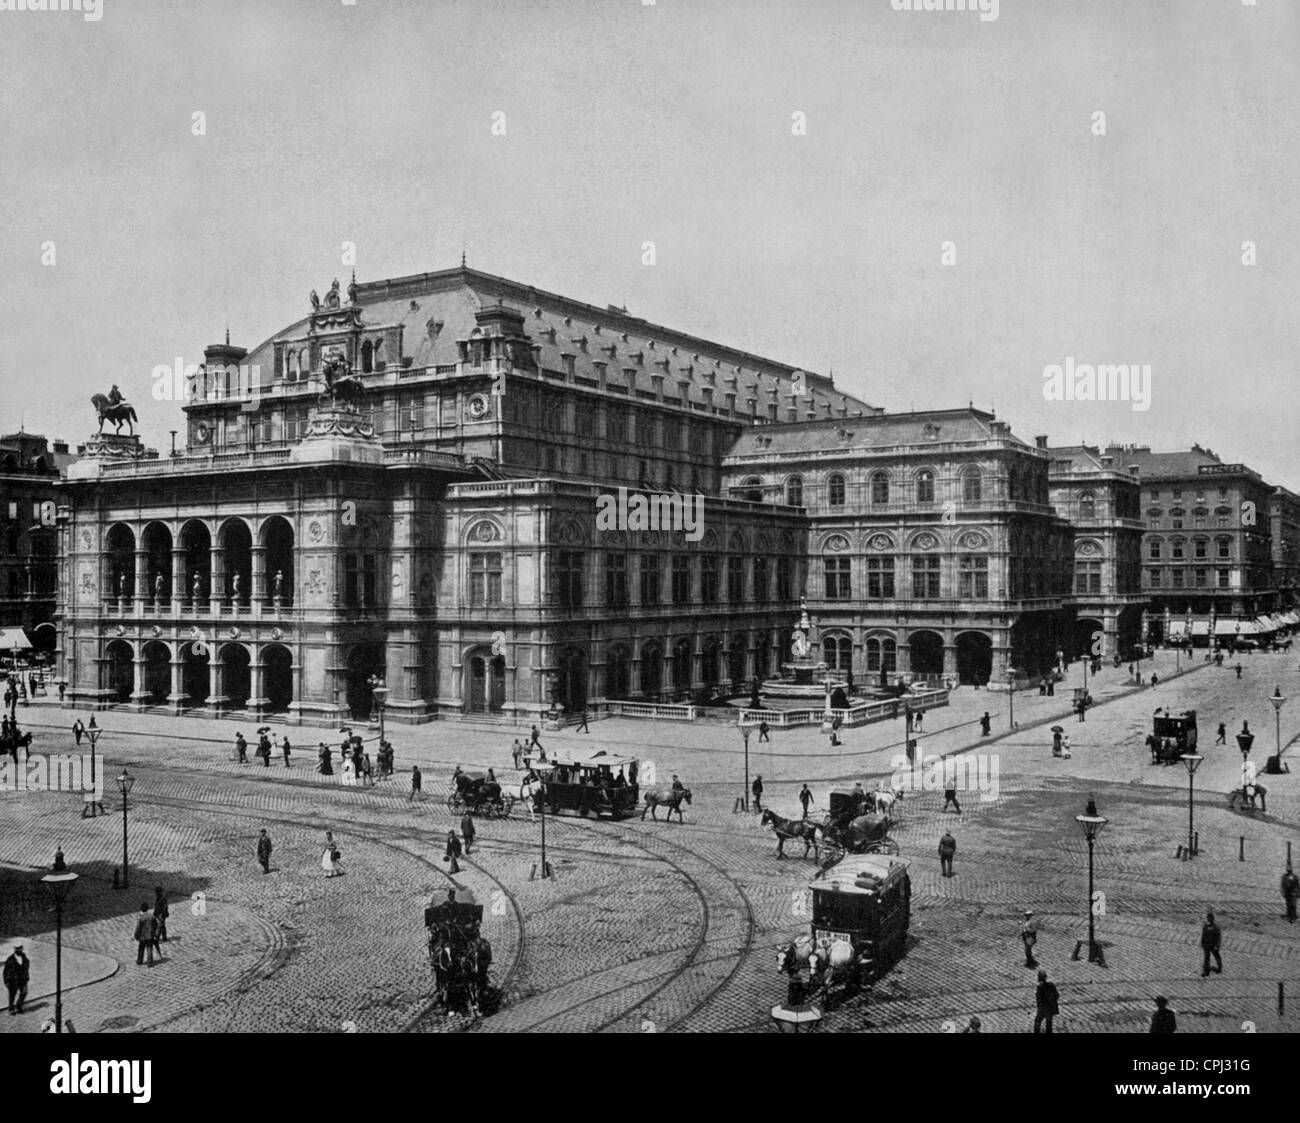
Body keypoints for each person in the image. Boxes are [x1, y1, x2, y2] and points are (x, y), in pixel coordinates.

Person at [4, 945, 29, 1015]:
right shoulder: (10, 959)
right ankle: (11, 1009)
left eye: (20, 948)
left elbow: (26, 967)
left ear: (22, 949)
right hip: (13, 980)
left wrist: (26, 976)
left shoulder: (24, 957)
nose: (19, 950)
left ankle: (19, 1005)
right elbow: (5, 971)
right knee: (12, 995)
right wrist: (6, 981)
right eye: (17, 949)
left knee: (24, 992)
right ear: (15, 949)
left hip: (22, 979)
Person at [1200, 911, 1222, 976]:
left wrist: (1217, 945)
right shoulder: (1205, 926)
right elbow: (1203, 935)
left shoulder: (1216, 927)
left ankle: (1219, 968)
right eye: (1208, 918)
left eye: (1210, 918)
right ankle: (1206, 971)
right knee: (1206, 958)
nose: (1209, 919)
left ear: (1213, 918)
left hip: (1213, 945)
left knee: (1217, 956)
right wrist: (1202, 943)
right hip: (1207, 945)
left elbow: (1218, 937)